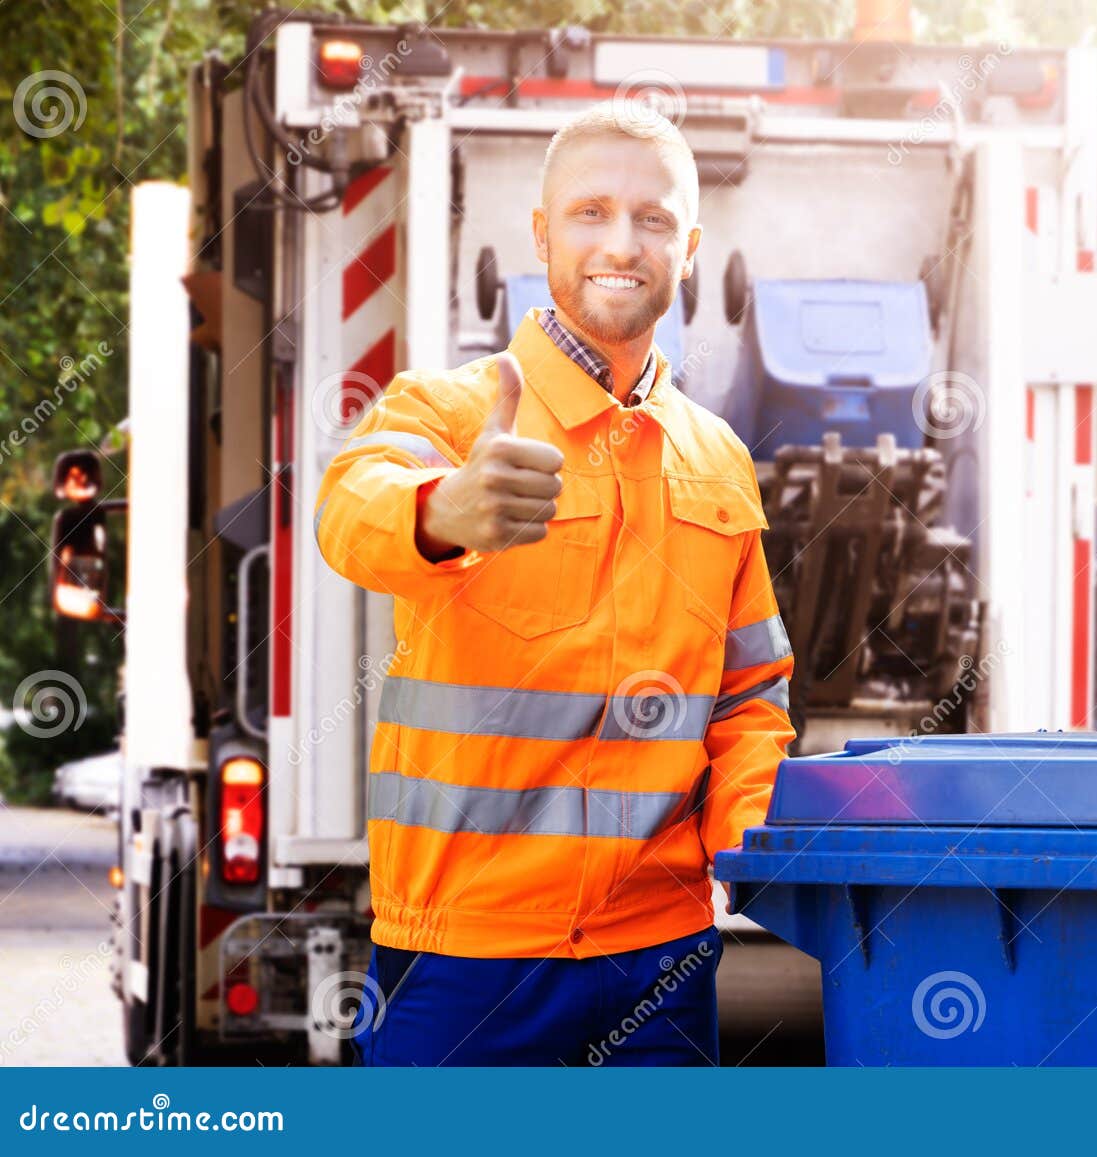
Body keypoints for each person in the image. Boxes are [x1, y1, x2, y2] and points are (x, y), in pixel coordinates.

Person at [314, 101, 795, 1066]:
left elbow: (750, 701)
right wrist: (442, 510)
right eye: (591, 212)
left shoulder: (719, 459)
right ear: (541, 233)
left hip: (660, 959)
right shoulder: (451, 411)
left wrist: (756, 857)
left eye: (653, 220)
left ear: (688, 247)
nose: (623, 241)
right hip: (464, 955)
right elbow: (348, 509)